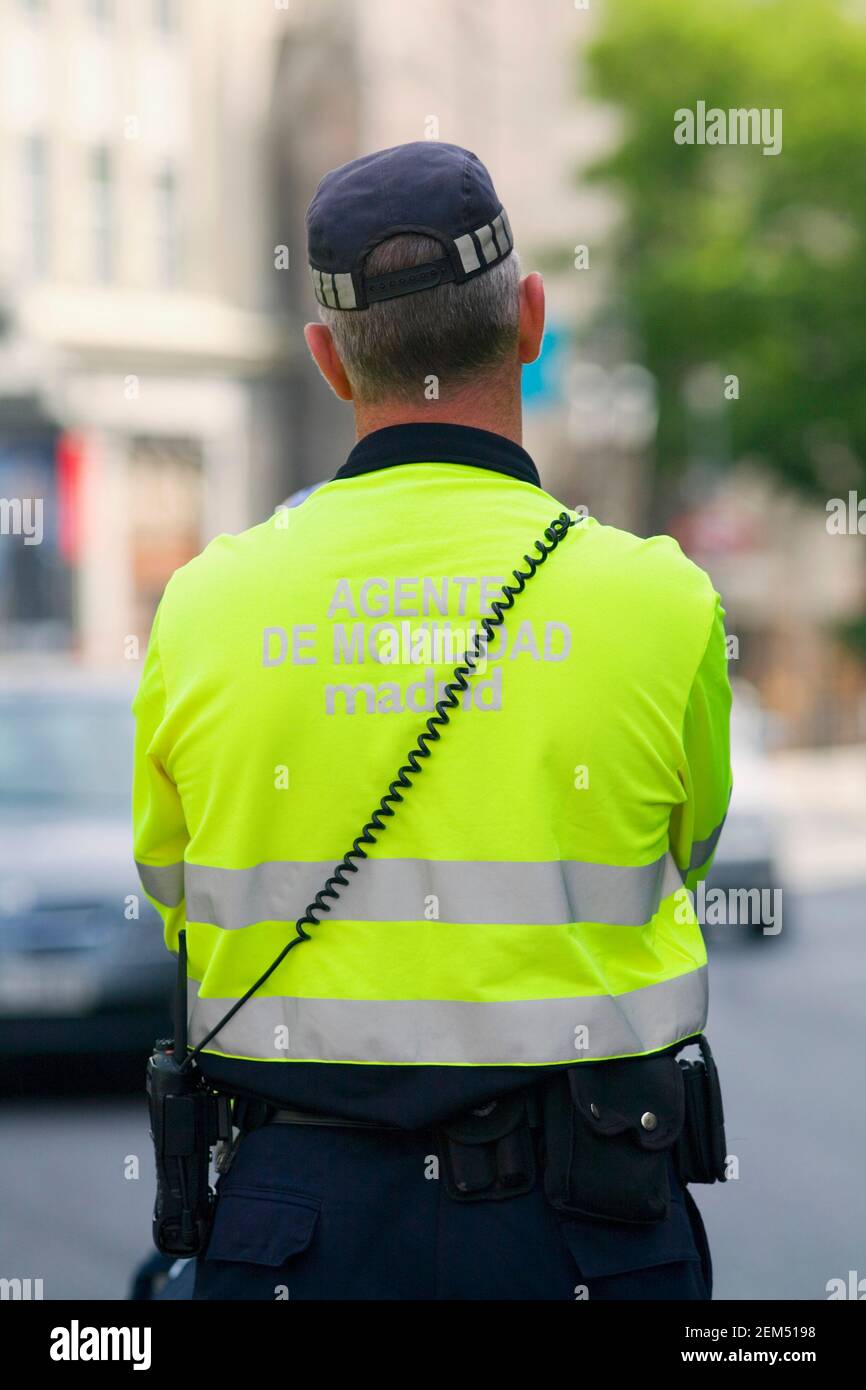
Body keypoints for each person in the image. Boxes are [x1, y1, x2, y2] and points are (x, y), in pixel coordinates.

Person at [132, 141, 732, 1301]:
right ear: (530, 320)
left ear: (325, 357)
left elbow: (173, 888)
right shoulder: (660, 598)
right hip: (588, 1225)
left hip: (295, 1225)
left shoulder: (205, 602)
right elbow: (683, 850)